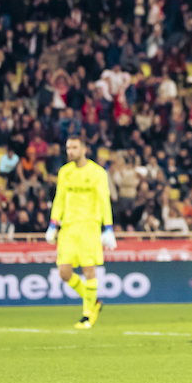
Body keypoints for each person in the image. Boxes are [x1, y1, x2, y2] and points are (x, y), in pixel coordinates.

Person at [47, 135, 115, 329]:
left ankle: (87, 315)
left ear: (84, 149)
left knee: (88, 270)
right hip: (68, 227)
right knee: (64, 272)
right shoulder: (64, 172)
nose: (70, 151)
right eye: (68, 148)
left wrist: (108, 227)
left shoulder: (97, 172)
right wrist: (53, 224)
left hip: (89, 226)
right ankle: (91, 299)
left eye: (74, 148)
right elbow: (59, 199)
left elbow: (103, 200)